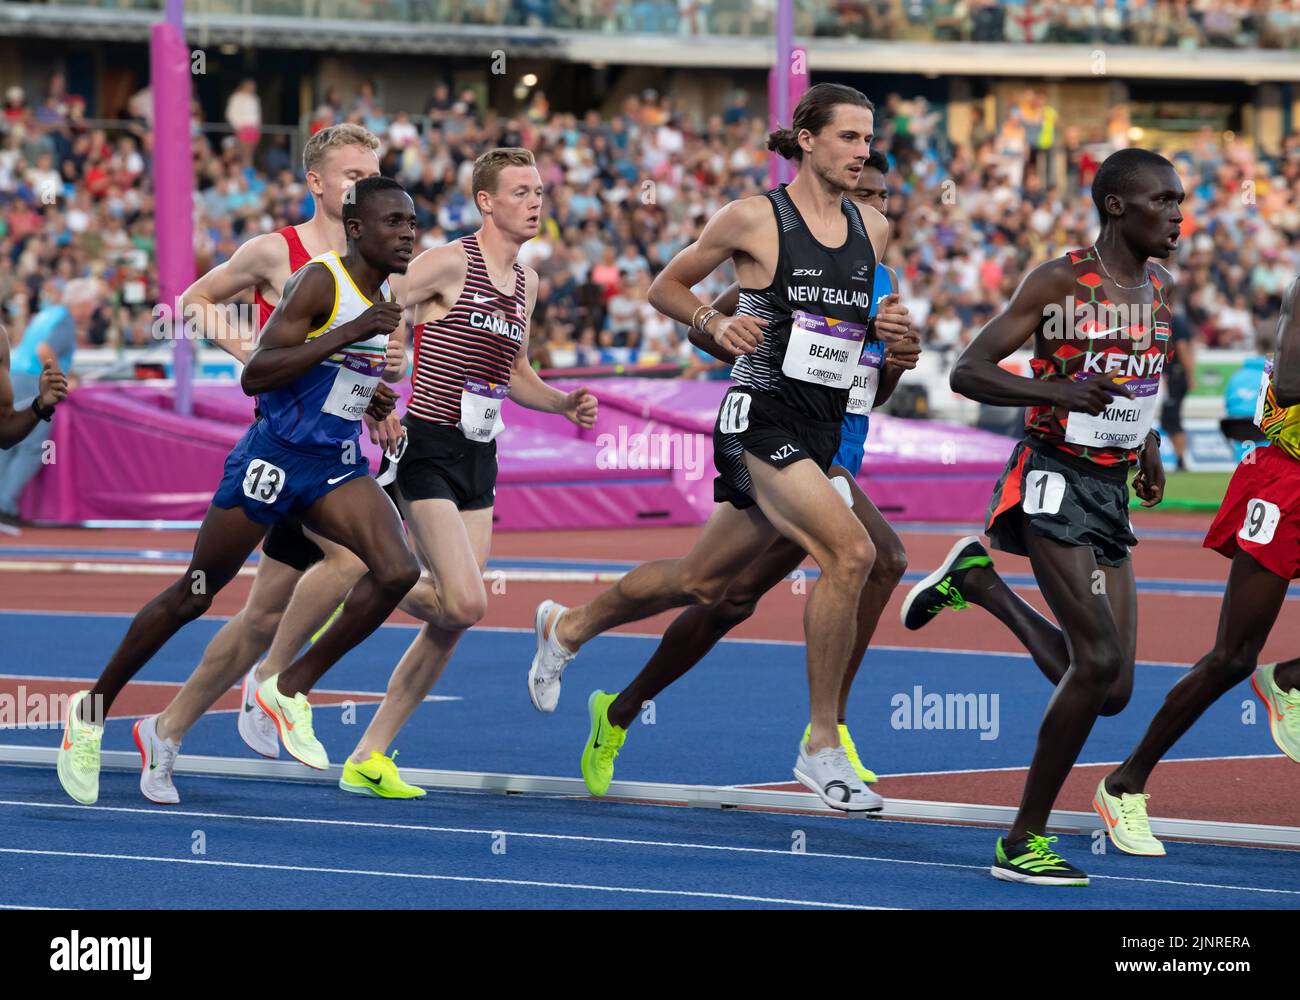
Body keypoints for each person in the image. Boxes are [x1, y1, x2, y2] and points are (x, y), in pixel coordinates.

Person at [527, 83, 911, 813]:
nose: (862, 151)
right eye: (849, 137)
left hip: (821, 424)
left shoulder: (873, 230)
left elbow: (855, 342)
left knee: (701, 583)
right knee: (854, 554)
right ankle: (822, 745)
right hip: (758, 417)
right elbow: (665, 286)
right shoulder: (755, 218)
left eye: (868, 139)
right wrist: (711, 321)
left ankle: (567, 625)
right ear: (806, 138)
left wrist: (896, 348)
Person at [56, 177, 422, 806]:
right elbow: (257, 375)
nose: (407, 235)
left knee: (396, 570)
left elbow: (335, 378)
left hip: (331, 465)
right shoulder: (321, 283)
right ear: (358, 229)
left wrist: (373, 395)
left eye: (412, 224)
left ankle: (287, 686)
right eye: (394, 224)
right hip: (272, 461)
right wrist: (348, 332)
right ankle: (88, 714)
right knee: (194, 595)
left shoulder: (385, 292)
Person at [899, 148, 1182, 885]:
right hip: (1051, 480)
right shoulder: (1060, 282)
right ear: (1118, 205)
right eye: (1165, 201)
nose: (1179, 216)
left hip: (1111, 488)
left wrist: (1146, 445)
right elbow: (968, 370)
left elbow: (1140, 382)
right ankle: (1023, 839)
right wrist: (1057, 394)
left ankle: (983, 586)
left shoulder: (1158, 289)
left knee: (1113, 686)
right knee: (1094, 664)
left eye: (1181, 202)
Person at [336, 147, 599, 798]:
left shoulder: (529, 283)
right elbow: (375, 305)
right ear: (486, 201)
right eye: (520, 191)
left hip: (481, 454)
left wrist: (562, 403)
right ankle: (363, 575)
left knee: (454, 619)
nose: (536, 201)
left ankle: (369, 755)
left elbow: (514, 374)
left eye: (540, 190)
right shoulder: (453, 261)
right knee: (465, 600)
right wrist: (380, 385)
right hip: (425, 443)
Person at [1094, 276, 1300, 856]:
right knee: (1232, 657)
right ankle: (1123, 784)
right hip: (1287, 483)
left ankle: (1288, 680)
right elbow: (1289, 380)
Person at [0, 279, 96, 523]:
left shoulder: (48, 313)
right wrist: (59, 378)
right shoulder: (64, 322)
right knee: (32, 447)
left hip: (15, 375)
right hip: (33, 380)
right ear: (84, 304)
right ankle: (5, 506)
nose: (94, 309)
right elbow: (44, 350)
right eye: (92, 304)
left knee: (7, 443)